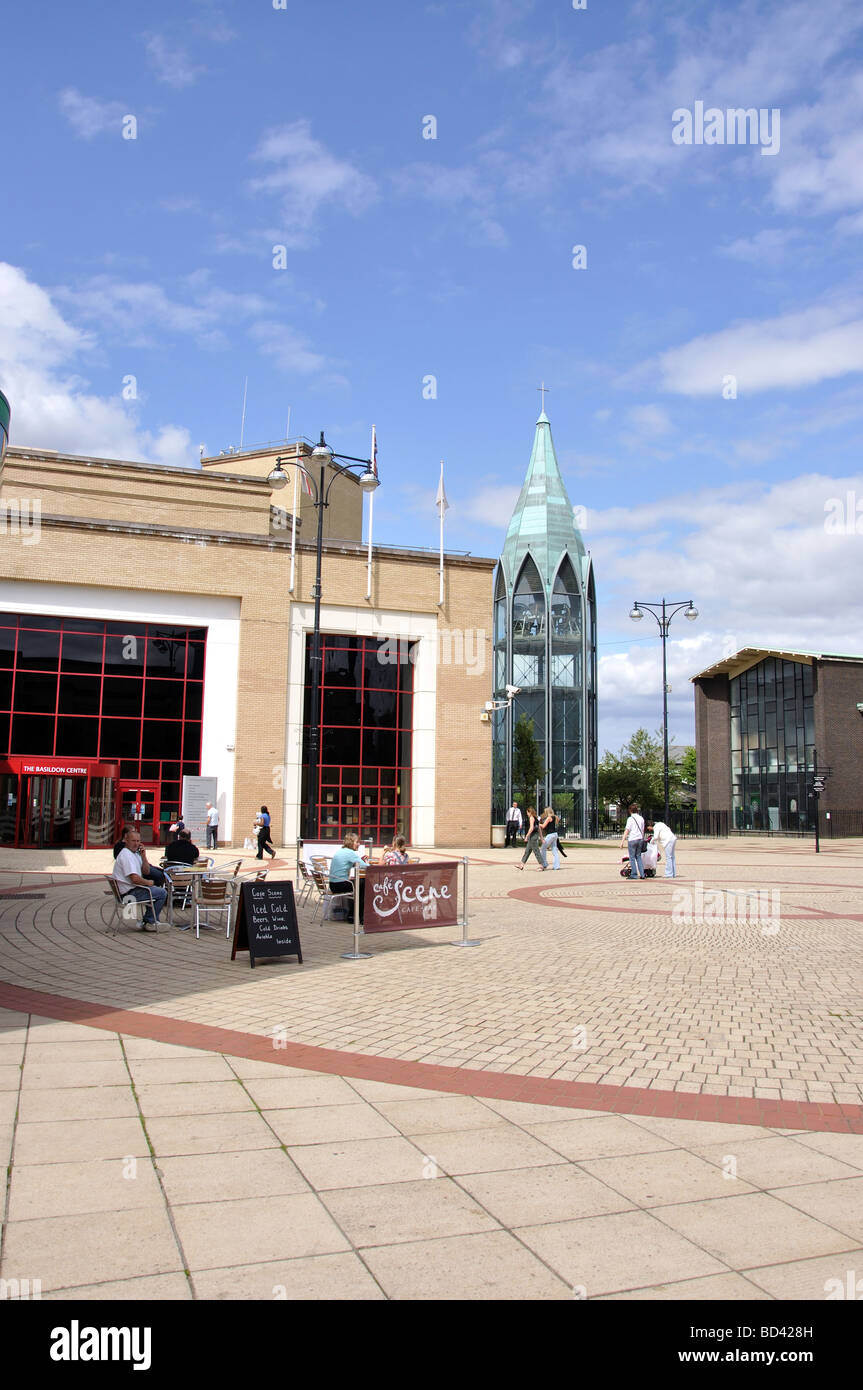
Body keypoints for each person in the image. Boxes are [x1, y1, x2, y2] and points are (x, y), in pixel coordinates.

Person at [112, 827, 167, 929]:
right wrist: (148, 882)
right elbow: (135, 879)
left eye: (138, 841)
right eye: (133, 841)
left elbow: (146, 871)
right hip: (128, 894)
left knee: (155, 891)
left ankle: (148, 920)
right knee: (161, 893)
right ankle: (150, 921)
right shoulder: (126, 855)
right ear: (126, 841)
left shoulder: (134, 854)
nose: (136, 844)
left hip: (132, 889)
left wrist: (143, 856)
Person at [328, 832, 367, 920]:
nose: (359, 844)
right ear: (351, 842)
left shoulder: (341, 851)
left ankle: (352, 914)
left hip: (333, 884)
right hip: (340, 884)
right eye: (357, 842)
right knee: (362, 884)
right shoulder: (350, 853)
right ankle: (358, 916)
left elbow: (350, 864)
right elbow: (365, 866)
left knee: (357, 884)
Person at [620, 802, 646, 881]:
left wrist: (622, 841)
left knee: (632, 857)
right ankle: (642, 874)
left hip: (632, 839)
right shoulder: (641, 818)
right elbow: (642, 830)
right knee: (638, 857)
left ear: (630, 811)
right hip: (640, 839)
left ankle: (634, 874)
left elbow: (627, 830)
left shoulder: (630, 819)